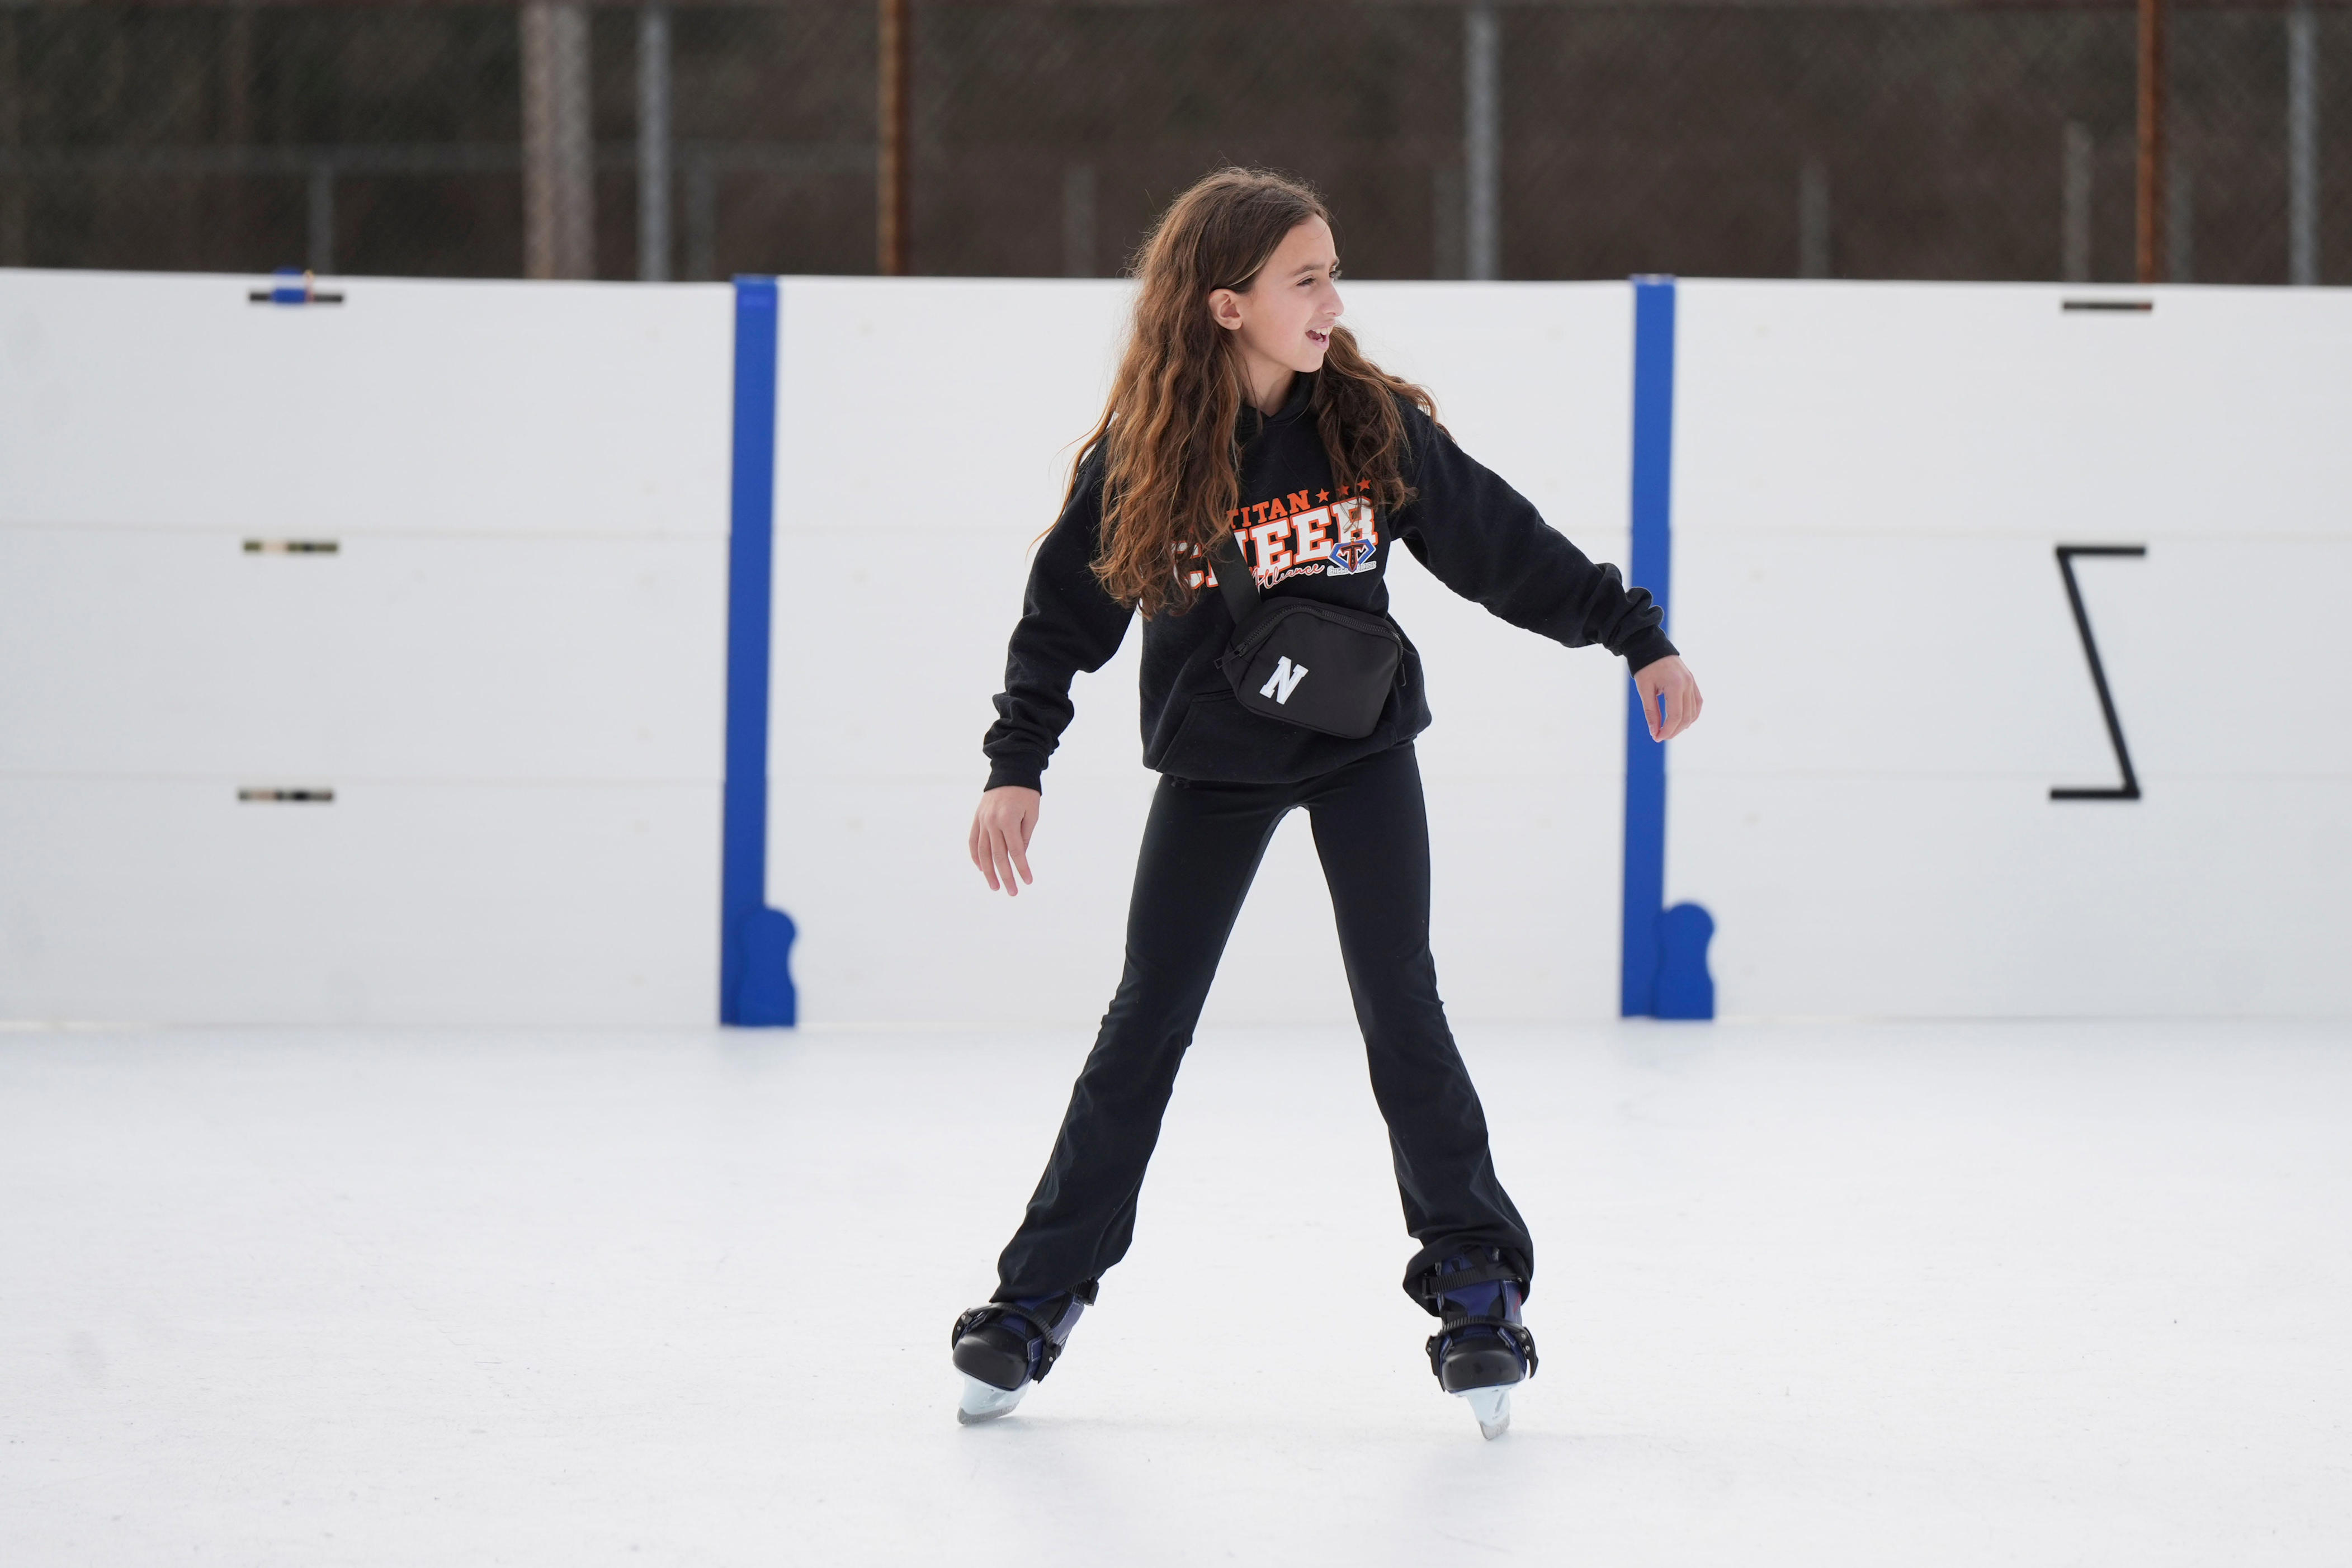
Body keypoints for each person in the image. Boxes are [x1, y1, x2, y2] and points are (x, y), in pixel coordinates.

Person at [949, 167, 1702, 1438]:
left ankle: (1476, 1284)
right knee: (1147, 1023)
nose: (1334, 302)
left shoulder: (1367, 427)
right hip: (1217, 764)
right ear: (1228, 303)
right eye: (1308, 279)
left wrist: (1634, 636)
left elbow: (1501, 545)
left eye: (1334, 274)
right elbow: (1058, 619)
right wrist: (1016, 763)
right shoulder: (1147, 456)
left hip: (1358, 748)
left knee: (1401, 1000)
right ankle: (1037, 1296)